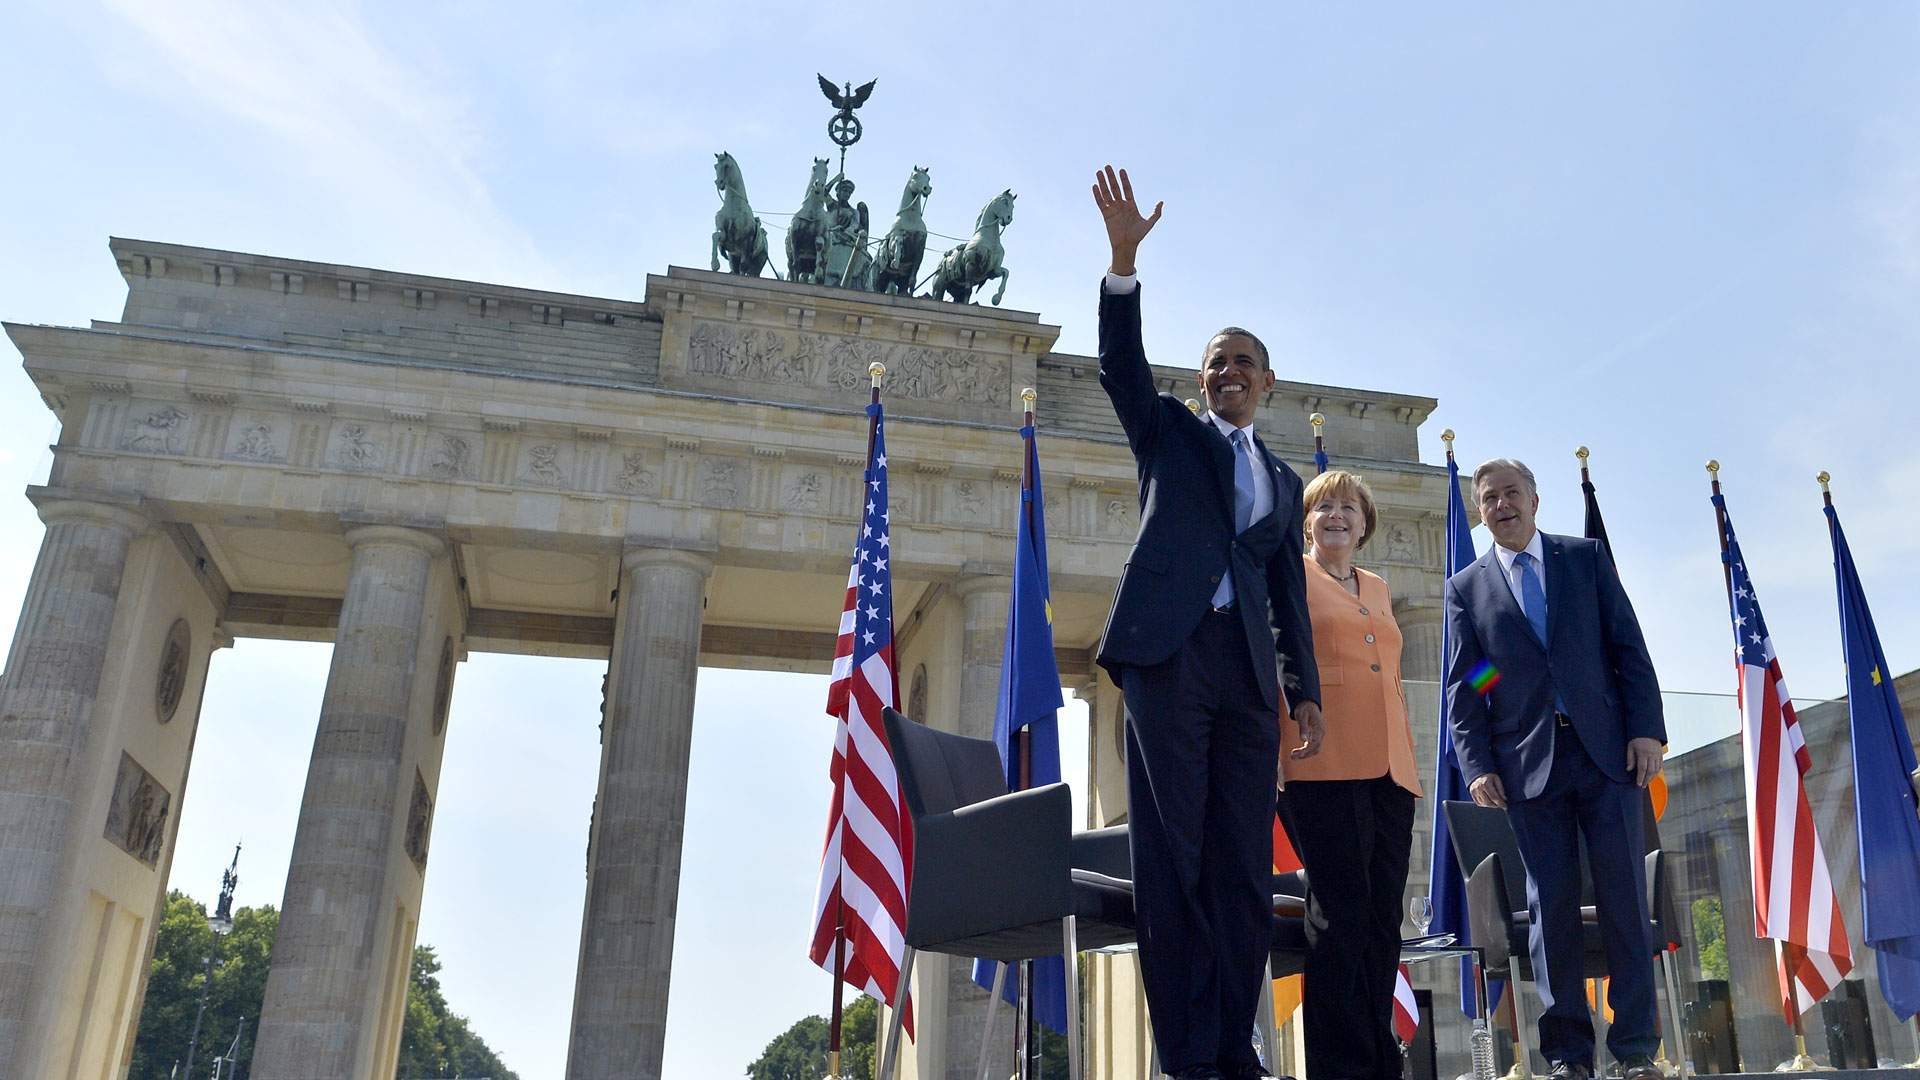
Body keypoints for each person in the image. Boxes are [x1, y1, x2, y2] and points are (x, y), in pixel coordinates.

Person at [1090, 164, 1322, 1080]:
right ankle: (1188, 1054)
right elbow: (1119, 369)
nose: (1228, 374)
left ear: (1265, 382)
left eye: (1242, 363)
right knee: (1174, 852)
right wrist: (1121, 261)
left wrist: (1301, 689)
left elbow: (1289, 595)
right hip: (1169, 658)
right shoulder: (1170, 436)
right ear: (1202, 381)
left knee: (1239, 865)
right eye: (1214, 362)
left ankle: (1234, 1046)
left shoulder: (1286, 480)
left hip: (1247, 679)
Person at [1443, 458, 1666, 1080]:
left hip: (1609, 757)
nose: (1502, 505)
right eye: (1489, 498)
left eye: (1512, 493)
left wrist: (1647, 729)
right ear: (1479, 511)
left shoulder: (1584, 559)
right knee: (1552, 910)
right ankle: (1569, 1054)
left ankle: (1637, 1049)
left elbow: (1627, 646)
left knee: (1625, 900)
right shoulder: (1468, 588)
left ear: (1535, 500)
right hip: (1527, 769)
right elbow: (1472, 682)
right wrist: (1479, 761)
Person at [1275, 469, 1422, 1079]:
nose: (1337, 516)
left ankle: (1379, 1058)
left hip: (1392, 769)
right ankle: (1340, 1066)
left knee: (1383, 919)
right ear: (1305, 522)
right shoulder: (1288, 577)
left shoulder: (1380, 587)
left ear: (1365, 526)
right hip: (1320, 762)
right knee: (1341, 914)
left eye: (1349, 508)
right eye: (1323, 507)